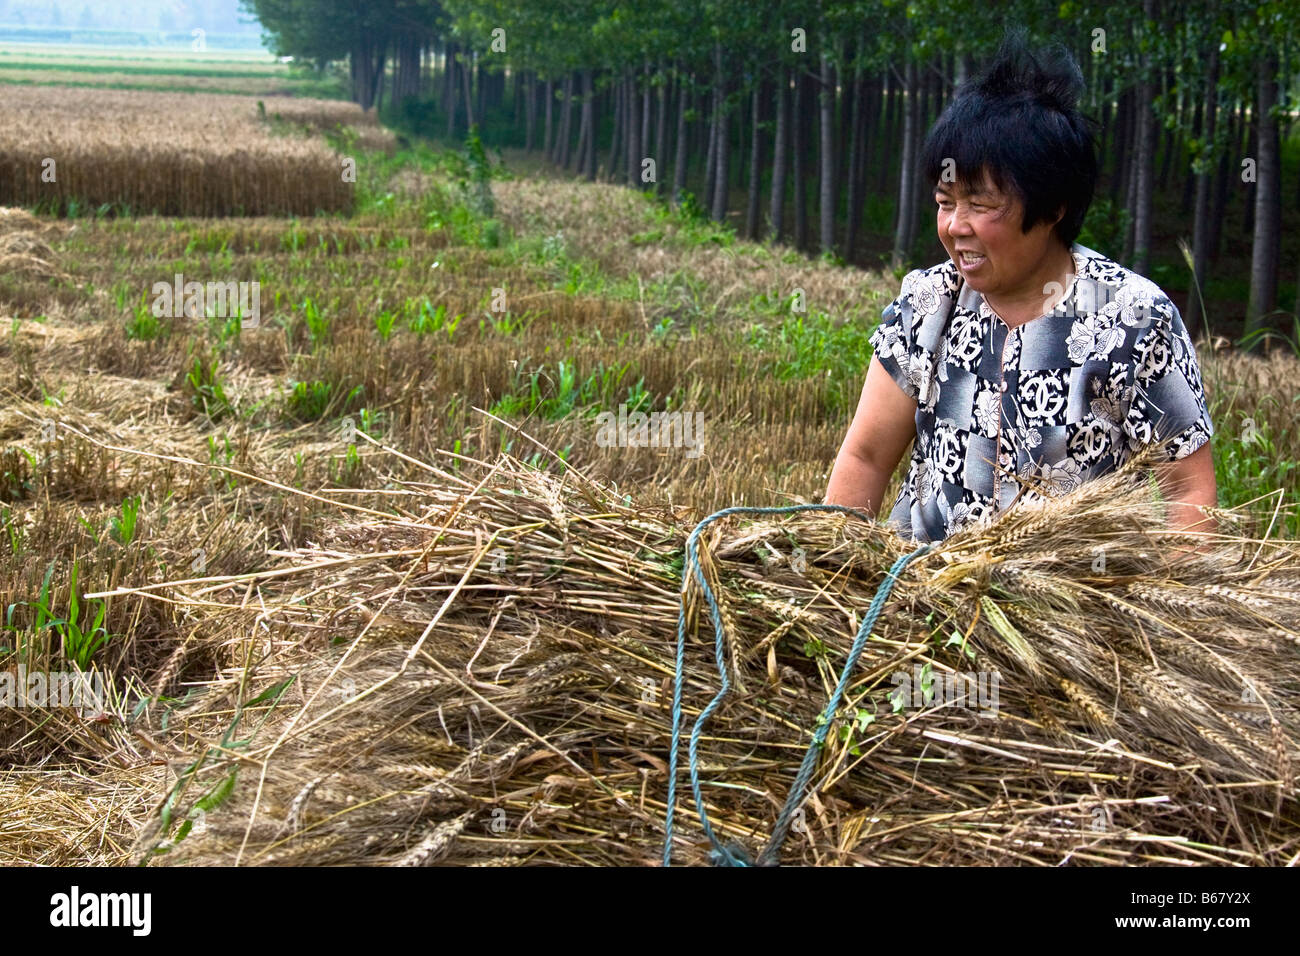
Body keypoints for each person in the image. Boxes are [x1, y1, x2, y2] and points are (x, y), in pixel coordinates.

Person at [824, 29, 1217, 543]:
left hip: (1070, 606)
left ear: (1053, 207)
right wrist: (828, 569)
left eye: (982, 204)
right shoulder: (926, 305)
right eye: (945, 202)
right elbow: (867, 456)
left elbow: (1187, 489)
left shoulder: (1133, 317)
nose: (955, 225)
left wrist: (1164, 610)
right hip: (919, 595)